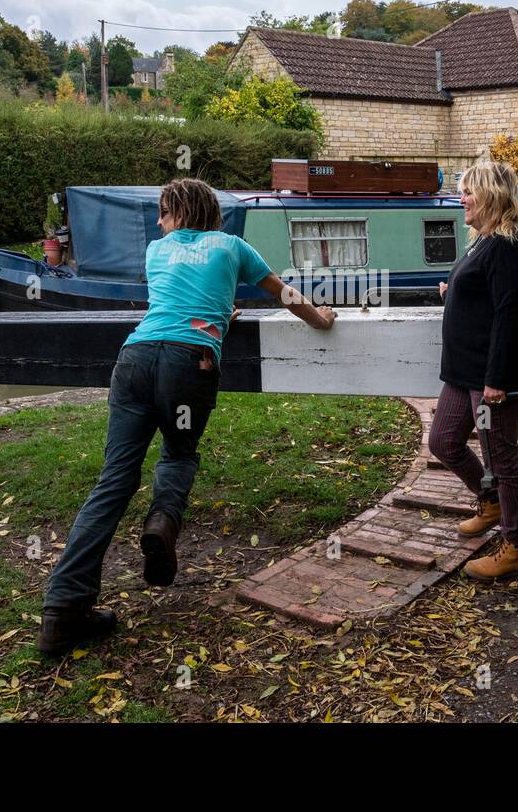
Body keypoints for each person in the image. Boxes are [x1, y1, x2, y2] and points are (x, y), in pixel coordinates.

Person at [38, 178, 337, 656]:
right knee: (178, 453)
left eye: (163, 212)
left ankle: (61, 610)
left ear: (181, 214)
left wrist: (218, 311)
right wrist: (322, 318)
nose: (159, 222)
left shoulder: (157, 252)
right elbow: (284, 296)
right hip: (188, 365)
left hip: (135, 359)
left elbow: (180, 299)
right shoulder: (232, 246)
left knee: (113, 480)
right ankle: (162, 521)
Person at [430, 161, 518, 581]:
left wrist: (497, 380)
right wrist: (453, 288)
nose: (462, 199)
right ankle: (488, 500)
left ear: (491, 196)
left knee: (502, 457)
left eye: (468, 192)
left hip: (491, 375)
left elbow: (509, 318)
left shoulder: (508, 247)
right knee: (443, 441)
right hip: (462, 370)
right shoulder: (482, 242)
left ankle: (514, 547)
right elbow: (481, 294)